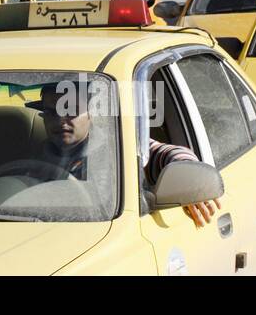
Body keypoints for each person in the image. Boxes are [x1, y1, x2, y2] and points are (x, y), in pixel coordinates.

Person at [28, 80, 220, 227]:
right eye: (51, 112)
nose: (61, 120)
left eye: (70, 110)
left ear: (91, 113)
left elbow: (167, 153)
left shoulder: (117, 149)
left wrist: (190, 184)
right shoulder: (31, 156)